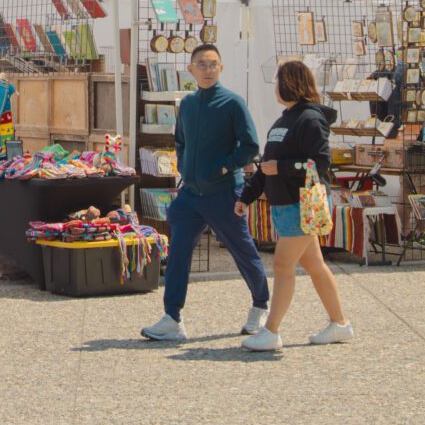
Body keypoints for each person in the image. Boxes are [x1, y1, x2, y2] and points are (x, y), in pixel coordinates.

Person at [141, 43, 269, 343]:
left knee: (243, 250)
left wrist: (225, 168)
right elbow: (180, 141)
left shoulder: (233, 103)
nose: (208, 70)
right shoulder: (186, 104)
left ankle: (261, 305)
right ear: (191, 69)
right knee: (178, 254)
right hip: (191, 196)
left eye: (213, 64)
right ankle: (172, 317)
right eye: (202, 64)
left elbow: (251, 146)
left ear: (221, 68)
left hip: (224, 192)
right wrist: (185, 168)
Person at [240, 59, 352, 351]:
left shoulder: (310, 120)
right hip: (287, 203)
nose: (275, 86)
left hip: (303, 203)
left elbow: (321, 163)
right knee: (314, 265)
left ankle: (272, 330)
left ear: (290, 82)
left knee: (283, 263)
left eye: (278, 79)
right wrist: (247, 197)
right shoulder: (283, 120)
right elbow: (267, 166)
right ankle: (339, 324)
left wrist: (285, 167)